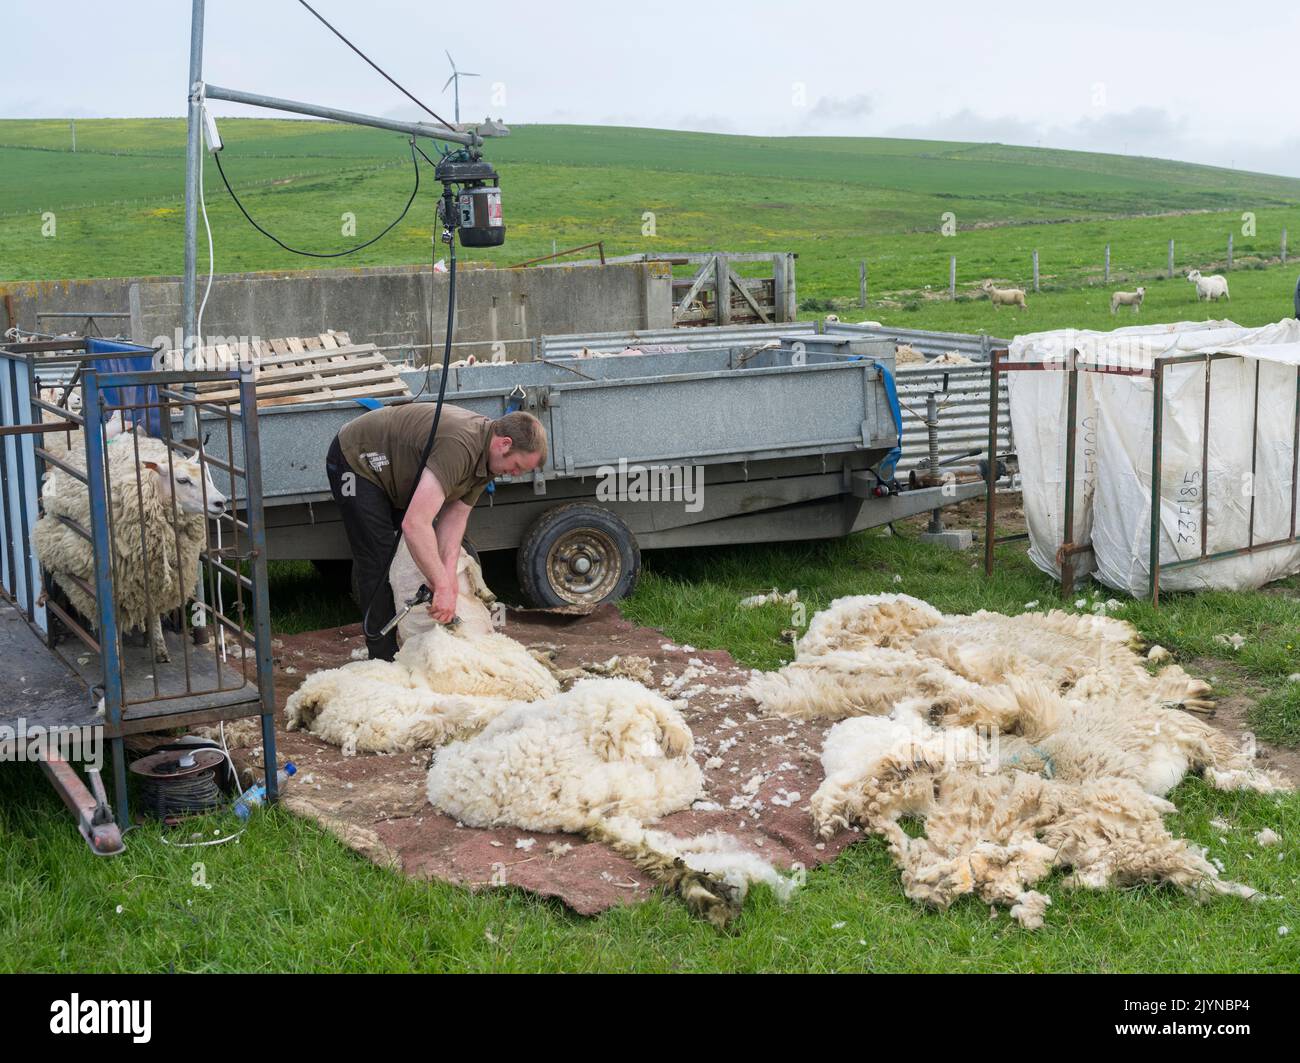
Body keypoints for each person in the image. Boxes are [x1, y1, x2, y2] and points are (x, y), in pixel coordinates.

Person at [326, 402, 547, 660]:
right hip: (358, 459)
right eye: (518, 467)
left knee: (425, 560)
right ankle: (382, 657)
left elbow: (454, 519)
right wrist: (441, 584)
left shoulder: (489, 461)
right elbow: (415, 524)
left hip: (398, 470)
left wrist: (448, 579)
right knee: (379, 559)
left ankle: (423, 646)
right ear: (504, 444)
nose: (516, 474)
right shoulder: (460, 446)